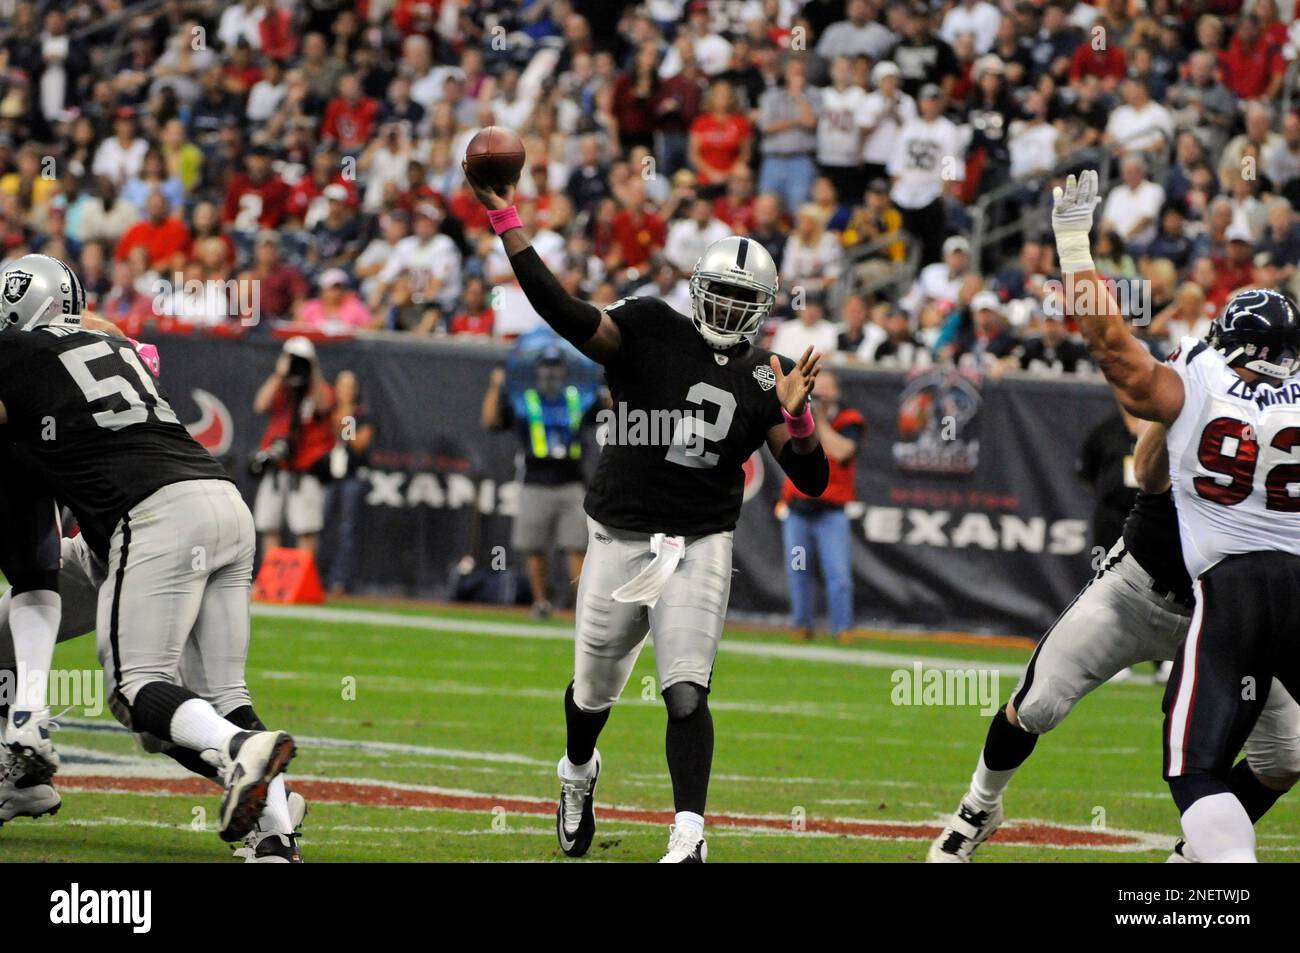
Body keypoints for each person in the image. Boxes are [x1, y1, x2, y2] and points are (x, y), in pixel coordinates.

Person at [463, 160, 829, 863]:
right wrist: (506, 221)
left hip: (699, 543)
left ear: (761, 307)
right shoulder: (650, 325)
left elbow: (810, 478)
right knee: (592, 694)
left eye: (738, 298)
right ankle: (577, 771)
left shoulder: (766, 374)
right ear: (696, 291)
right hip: (619, 536)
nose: (724, 309)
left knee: (686, 689)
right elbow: (563, 312)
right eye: (716, 294)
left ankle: (689, 834)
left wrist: (799, 419)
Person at [0, 253, 296, 847]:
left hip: (151, 516)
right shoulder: (110, 340)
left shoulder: (17, 354)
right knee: (220, 697)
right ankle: (275, 840)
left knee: (136, 689)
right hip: (220, 506)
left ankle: (238, 750)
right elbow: (96, 331)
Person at [1053, 169, 1300, 862]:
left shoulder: (1199, 379)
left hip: (1232, 592)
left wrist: (1074, 246)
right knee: (1287, 753)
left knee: (1195, 768)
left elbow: (1111, 347)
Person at [928, 422, 1300, 861]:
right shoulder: (1199, 396)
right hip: (1136, 592)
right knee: (1035, 704)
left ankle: (1196, 853)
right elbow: (1147, 471)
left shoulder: (1279, 437)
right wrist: (1174, 408)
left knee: (1286, 755)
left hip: (1221, 614)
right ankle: (978, 808)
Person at [480, 347, 596, 618]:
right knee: (534, 548)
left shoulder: (576, 398)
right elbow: (490, 421)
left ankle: (581, 608)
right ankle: (541, 603)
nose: (551, 373)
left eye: (556, 367)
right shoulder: (525, 400)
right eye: (547, 366)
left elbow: (611, 410)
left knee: (577, 546)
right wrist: (496, 386)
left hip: (571, 480)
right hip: (535, 480)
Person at [776, 371, 864, 642]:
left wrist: (820, 421)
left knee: (837, 572)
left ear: (836, 393)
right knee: (798, 570)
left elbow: (843, 452)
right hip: (799, 509)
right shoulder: (797, 416)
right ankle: (802, 624)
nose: (822, 396)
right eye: (818, 390)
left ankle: (842, 627)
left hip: (831, 511)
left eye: (827, 390)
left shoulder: (850, 420)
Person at [251, 336, 336, 557]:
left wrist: (312, 369)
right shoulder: (282, 387)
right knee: (269, 525)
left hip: (305, 468)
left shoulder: (320, 389)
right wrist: (280, 373)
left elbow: (324, 404)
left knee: (305, 528)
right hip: (276, 465)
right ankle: (272, 583)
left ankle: (303, 580)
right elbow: (260, 405)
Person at [320, 370, 374, 596]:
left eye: (350, 386)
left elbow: (359, 444)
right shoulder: (326, 411)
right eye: (342, 385)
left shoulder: (362, 414)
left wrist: (345, 422)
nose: (347, 391)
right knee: (319, 526)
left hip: (352, 477)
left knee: (347, 530)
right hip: (328, 476)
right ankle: (316, 575)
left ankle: (340, 580)